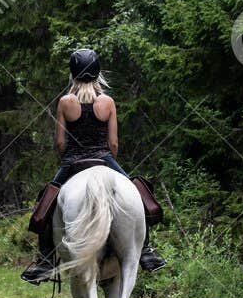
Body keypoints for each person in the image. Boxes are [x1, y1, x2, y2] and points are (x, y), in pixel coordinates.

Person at [22, 48, 168, 284]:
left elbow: (60, 142)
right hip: (104, 159)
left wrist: (67, 156)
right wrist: (108, 158)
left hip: (73, 161)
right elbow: (113, 143)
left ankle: (45, 261)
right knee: (137, 192)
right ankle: (146, 251)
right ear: (97, 72)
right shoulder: (107, 102)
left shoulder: (65, 102)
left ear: (73, 73)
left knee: (46, 203)